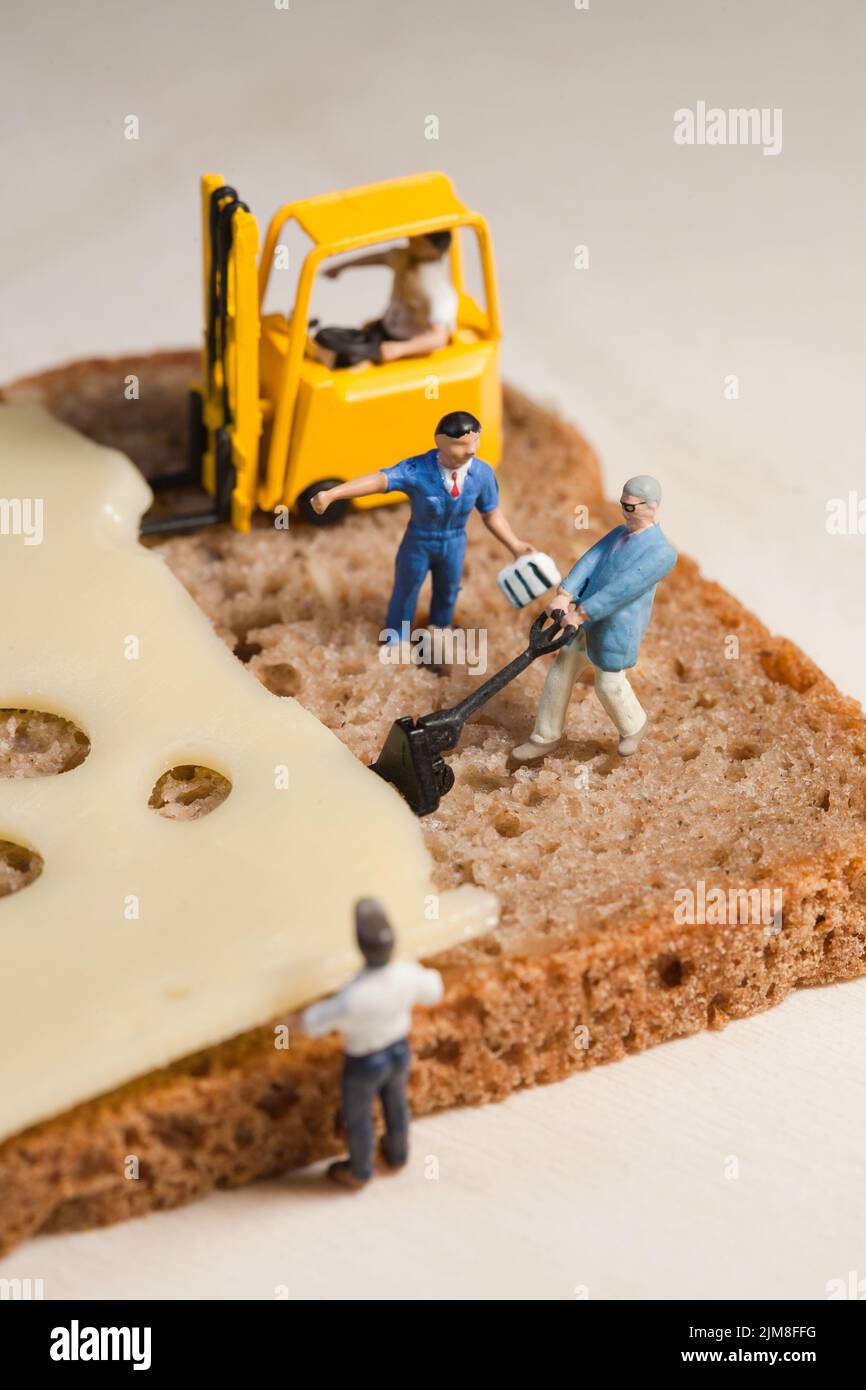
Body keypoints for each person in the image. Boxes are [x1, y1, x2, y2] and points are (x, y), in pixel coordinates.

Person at [311, 411, 534, 640]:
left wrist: (514, 545)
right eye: (462, 444)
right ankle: (397, 637)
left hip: (455, 542)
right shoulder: (417, 470)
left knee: (448, 592)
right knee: (406, 590)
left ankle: (439, 633)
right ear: (441, 442)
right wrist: (333, 494)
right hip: (419, 542)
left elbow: (492, 514)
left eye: (475, 441)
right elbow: (380, 480)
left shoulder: (482, 474)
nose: (471, 450)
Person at [511, 475, 677, 761]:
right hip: (581, 620)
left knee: (609, 685)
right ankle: (545, 737)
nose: (624, 511)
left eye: (630, 507)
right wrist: (565, 593)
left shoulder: (662, 553)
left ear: (652, 506)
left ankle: (634, 725)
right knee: (560, 674)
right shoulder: (619, 532)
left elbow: (623, 589)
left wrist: (582, 612)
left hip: (616, 628)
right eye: (622, 504)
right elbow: (591, 560)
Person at [301, 898, 443, 1189]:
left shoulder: (354, 995)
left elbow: (314, 1023)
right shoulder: (406, 972)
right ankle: (398, 1154)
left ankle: (360, 1170)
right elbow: (433, 991)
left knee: (359, 1116)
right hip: (399, 1051)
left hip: (364, 1063)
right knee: (396, 1104)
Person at [313, 231, 457, 368]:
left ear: (432, 247)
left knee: (347, 360)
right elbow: (377, 258)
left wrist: (401, 349)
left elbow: (439, 337)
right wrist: (341, 267)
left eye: (418, 239)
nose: (410, 239)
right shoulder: (404, 257)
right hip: (384, 329)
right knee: (327, 339)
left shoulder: (437, 287)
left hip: (405, 343)